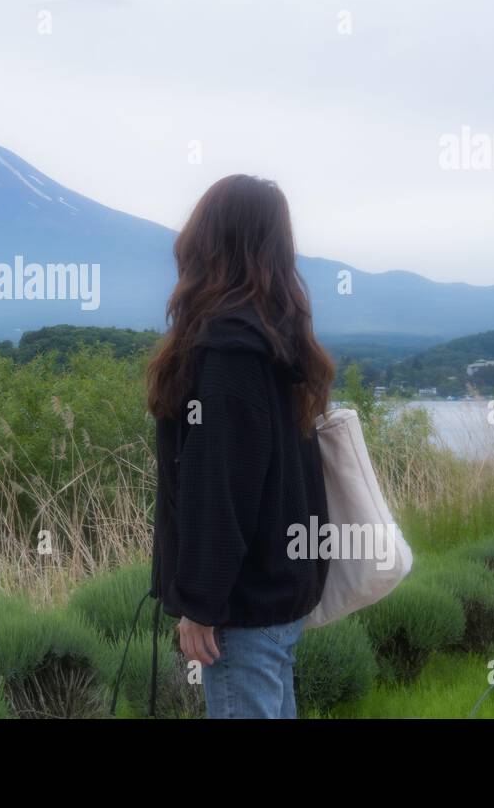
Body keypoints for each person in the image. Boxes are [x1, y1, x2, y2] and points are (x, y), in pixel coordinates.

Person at [147, 174, 335, 719]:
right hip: (280, 593)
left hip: (244, 609)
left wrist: (201, 605)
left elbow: (222, 488)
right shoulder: (278, 341)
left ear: (208, 241)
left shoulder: (229, 351)